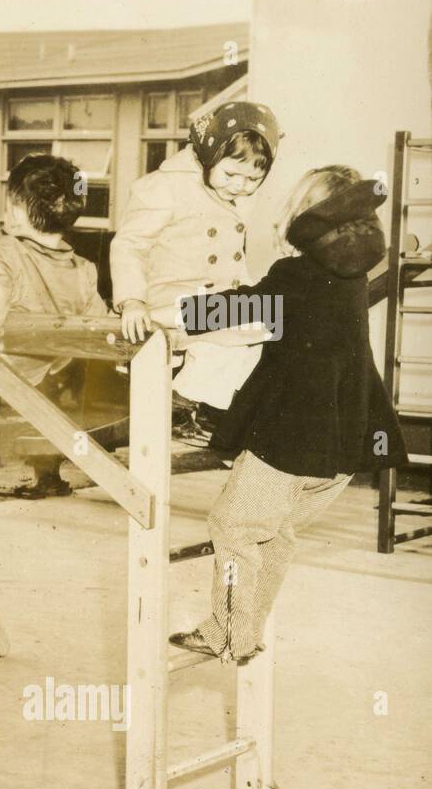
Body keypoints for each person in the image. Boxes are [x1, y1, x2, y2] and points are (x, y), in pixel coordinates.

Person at [163, 166, 408, 661]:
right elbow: (279, 317)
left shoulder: (295, 274)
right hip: (346, 441)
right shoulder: (351, 278)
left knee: (235, 527)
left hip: (291, 438)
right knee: (274, 532)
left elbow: (242, 307)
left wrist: (168, 316)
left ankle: (230, 633)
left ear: (301, 218)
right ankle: (243, 626)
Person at [0, 154, 110, 493]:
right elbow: (98, 323)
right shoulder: (84, 270)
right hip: (38, 374)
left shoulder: (1, 251)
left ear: (17, 211)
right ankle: (48, 474)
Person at [111, 101, 282, 442]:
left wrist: (253, 293)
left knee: (275, 319)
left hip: (210, 302)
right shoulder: (166, 186)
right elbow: (129, 244)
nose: (239, 186)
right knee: (247, 323)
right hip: (171, 302)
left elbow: (232, 259)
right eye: (231, 174)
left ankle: (210, 404)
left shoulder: (226, 193)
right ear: (208, 153)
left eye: (252, 179)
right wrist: (131, 300)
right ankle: (188, 401)